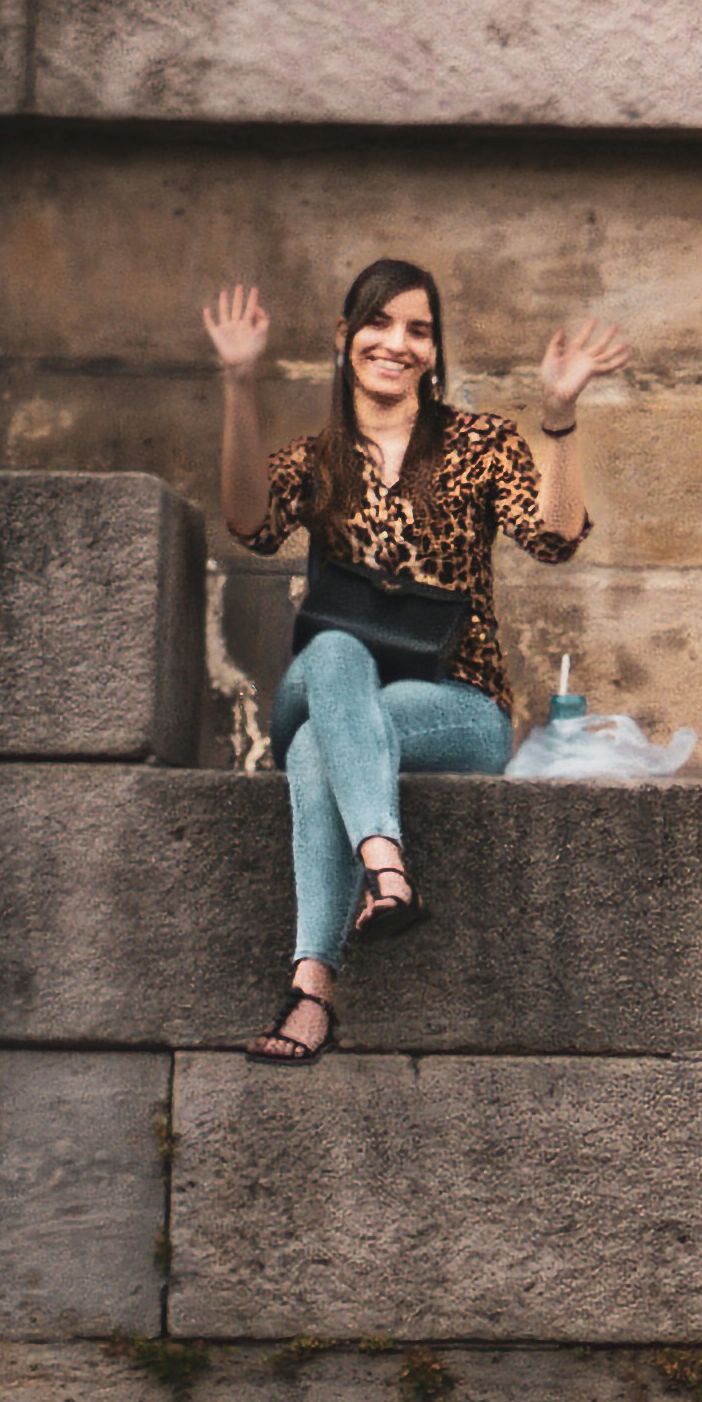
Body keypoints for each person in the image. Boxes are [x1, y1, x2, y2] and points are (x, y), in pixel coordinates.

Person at [206, 254, 626, 1069]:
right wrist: (236, 384)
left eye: (418, 330)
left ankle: (311, 989)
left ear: (434, 352)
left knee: (316, 747)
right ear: (345, 337)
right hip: (326, 682)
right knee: (333, 652)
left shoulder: (479, 443)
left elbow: (555, 538)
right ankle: (385, 861)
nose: (396, 342)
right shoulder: (319, 456)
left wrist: (560, 417)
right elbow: (248, 521)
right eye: (378, 322)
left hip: (455, 704)